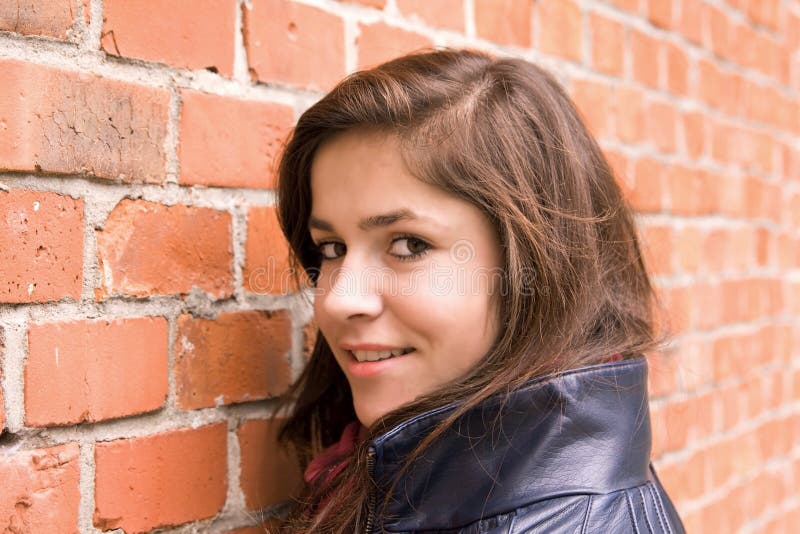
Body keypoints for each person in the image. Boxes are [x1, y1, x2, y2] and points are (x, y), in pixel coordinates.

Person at [273, 48, 685, 533]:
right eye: (332, 247)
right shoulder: (376, 471)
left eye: (408, 244)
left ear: (535, 264)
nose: (340, 299)